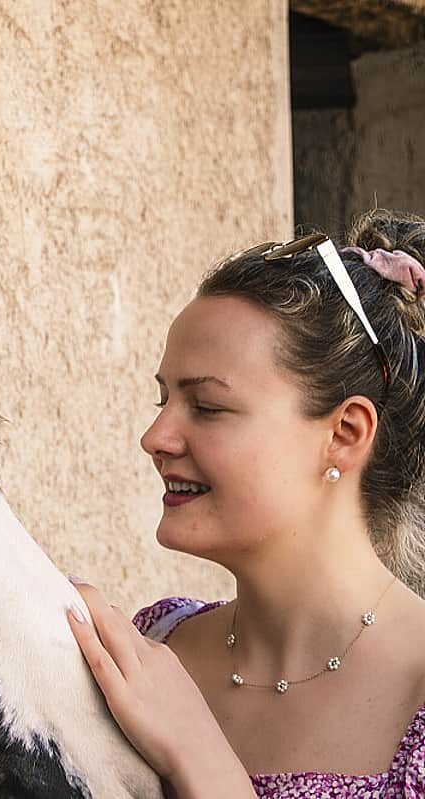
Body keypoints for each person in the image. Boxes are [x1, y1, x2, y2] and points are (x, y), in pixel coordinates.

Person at [66, 209, 425, 798]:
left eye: (206, 407)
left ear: (345, 433)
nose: (156, 438)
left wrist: (199, 754)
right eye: (163, 401)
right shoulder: (154, 647)